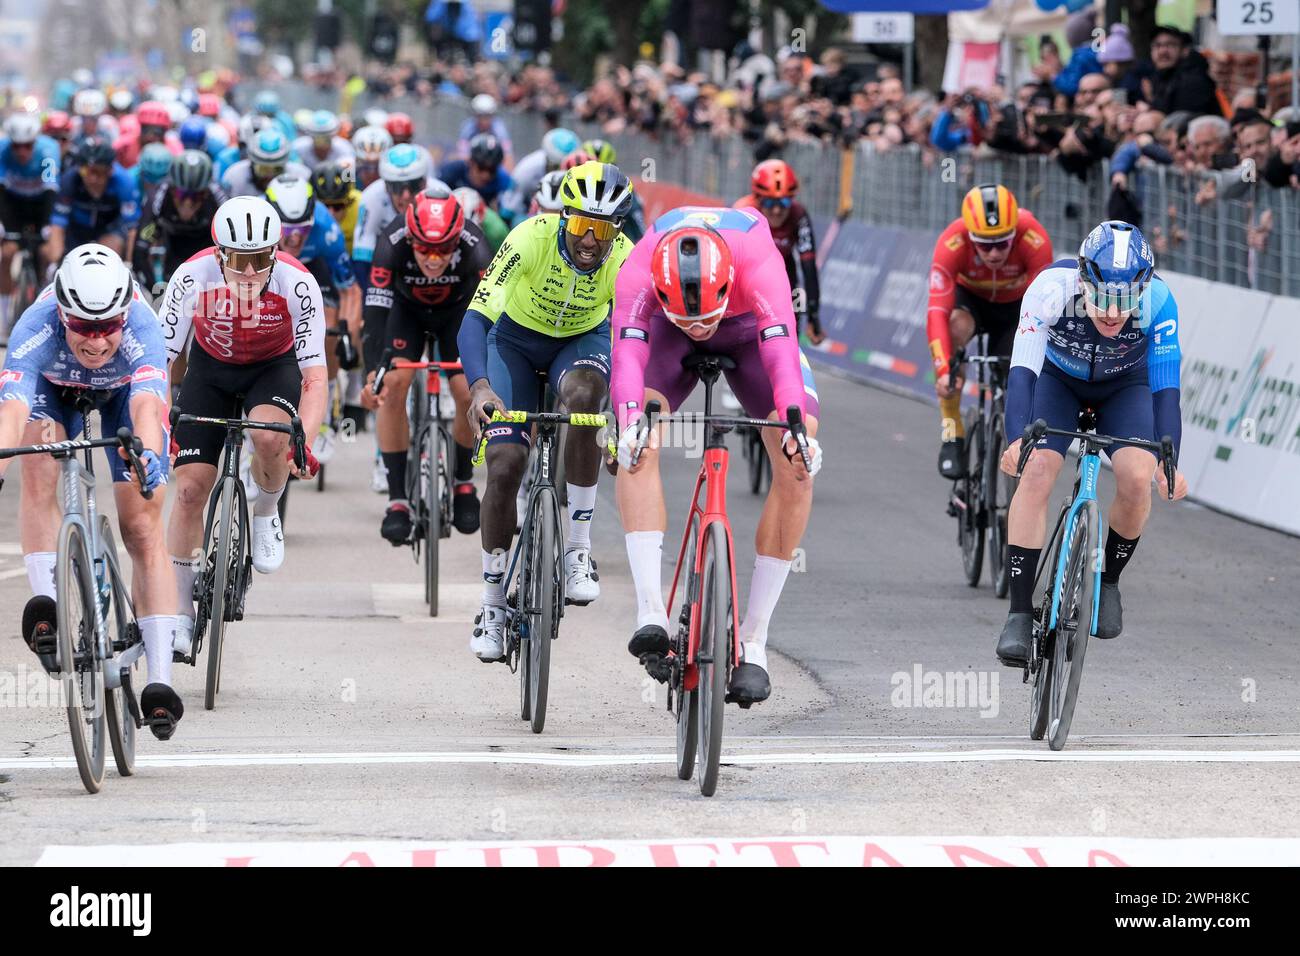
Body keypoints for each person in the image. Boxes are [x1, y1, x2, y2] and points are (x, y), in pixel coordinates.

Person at [610, 206, 823, 705]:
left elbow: (781, 351)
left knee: (797, 458)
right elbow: (627, 355)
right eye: (693, 318)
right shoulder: (639, 270)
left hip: (752, 333)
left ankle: (754, 639)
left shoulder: (758, 261)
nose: (702, 326)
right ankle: (650, 612)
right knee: (638, 440)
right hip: (667, 337)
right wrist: (627, 421)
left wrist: (795, 424)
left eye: (707, 316)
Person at [0, 244, 182, 737]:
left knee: (142, 525)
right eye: (83, 327)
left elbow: (148, 402)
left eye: (108, 327)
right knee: (36, 463)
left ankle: (160, 681)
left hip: (125, 397)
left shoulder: (144, 328)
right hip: (53, 392)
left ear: (125, 313)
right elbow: (12, 410)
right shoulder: (34, 327)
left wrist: (144, 452)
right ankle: (49, 613)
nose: (97, 341)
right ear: (62, 314)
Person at [457, 161, 634, 661]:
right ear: (563, 218)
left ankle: (577, 549)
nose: (589, 240)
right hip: (513, 345)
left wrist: (624, 417)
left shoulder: (625, 259)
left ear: (617, 230)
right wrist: (481, 389)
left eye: (602, 229)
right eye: (580, 224)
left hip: (581, 343)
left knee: (584, 401)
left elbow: (633, 343)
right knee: (507, 466)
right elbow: (475, 320)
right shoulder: (527, 239)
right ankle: (492, 605)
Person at [995, 221, 1187, 666]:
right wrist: (1015, 438)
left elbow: (1166, 390)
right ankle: (1020, 613)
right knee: (1038, 468)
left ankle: (1109, 582)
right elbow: (1022, 373)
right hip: (1057, 382)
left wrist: (1168, 458)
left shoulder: (1160, 301)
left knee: (1138, 478)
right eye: (1102, 299)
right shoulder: (1050, 289)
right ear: (1083, 281)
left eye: (1125, 302)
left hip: (1126, 386)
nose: (1113, 313)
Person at [159, 196, 327, 657]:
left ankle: (266, 511)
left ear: (275, 253)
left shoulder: (298, 284)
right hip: (210, 370)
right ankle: (179, 612)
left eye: (260, 261)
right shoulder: (190, 278)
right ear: (218, 255)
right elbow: (160, 361)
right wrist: (155, 422)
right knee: (191, 489)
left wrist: (305, 441)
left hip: (271, 369)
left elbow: (315, 378)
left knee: (270, 437)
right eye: (239, 261)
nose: (250, 273)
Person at [362, 187, 489, 543]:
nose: (434, 260)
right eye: (424, 249)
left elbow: (493, 313)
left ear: (457, 241)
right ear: (411, 238)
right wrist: (375, 370)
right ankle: (397, 499)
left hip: (459, 315)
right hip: (407, 315)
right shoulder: (391, 241)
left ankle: (464, 481)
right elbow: (374, 310)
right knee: (393, 385)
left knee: (467, 391)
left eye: (444, 249)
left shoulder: (475, 246)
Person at [929, 184, 1053, 480]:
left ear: (1015, 232)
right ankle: (952, 431)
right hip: (971, 302)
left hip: (1017, 309)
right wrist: (944, 367)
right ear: (970, 236)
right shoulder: (951, 243)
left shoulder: (1034, 239)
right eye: (984, 245)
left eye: (1002, 242)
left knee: (1018, 372)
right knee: (954, 328)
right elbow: (936, 312)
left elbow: (1046, 311)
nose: (995, 252)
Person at [733, 159, 822, 344]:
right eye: (769, 201)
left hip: (784, 271)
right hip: (747, 275)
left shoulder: (798, 214)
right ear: (757, 198)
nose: (776, 210)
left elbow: (808, 266)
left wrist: (813, 315)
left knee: (790, 324)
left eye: (784, 201)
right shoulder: (742, 211)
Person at [0, 113, 60, 338]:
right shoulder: (3, 150)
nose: (22, 152)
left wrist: (46, 226)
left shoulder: (48, 150)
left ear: (34, 142)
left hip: (40, 205)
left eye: (27, 146)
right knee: (6, 254)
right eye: (17, 146)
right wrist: (4, 225)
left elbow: (50, 192)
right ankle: (4, 320)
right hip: (13, 204)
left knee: (47, 252)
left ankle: (45, 292)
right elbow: (1, 194)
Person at [131, 149, 227, 291]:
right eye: (182, 194)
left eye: (197, 196)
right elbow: (139, 253)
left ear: (206, 193)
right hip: (174, 249)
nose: (188, 203)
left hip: (209, 249)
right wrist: (157, 291)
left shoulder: (218, 200)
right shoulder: (158, 197)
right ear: (172, 189)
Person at [47, 137, 140, 264]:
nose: (92, 179)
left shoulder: (124, 182)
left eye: (99, 172)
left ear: (110, 171)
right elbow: (57, 224)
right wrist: (55, 263)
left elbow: (132, 229)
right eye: (87, 171)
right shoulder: (70, 180)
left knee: (110, 249)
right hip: (77, 230)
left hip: (109, 229)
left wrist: (130, 263)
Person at [220, 126, 310, 198]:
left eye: (277, 169)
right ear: (251, 163)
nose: (270, 176)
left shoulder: (302, 177)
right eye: (263, 169)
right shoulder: (235, 178)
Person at [438, 133, 514, 213]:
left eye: (492, 169)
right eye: (481, 167)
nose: (486, 175)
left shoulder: (503, 181)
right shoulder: (451, 173)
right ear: (470, 162)